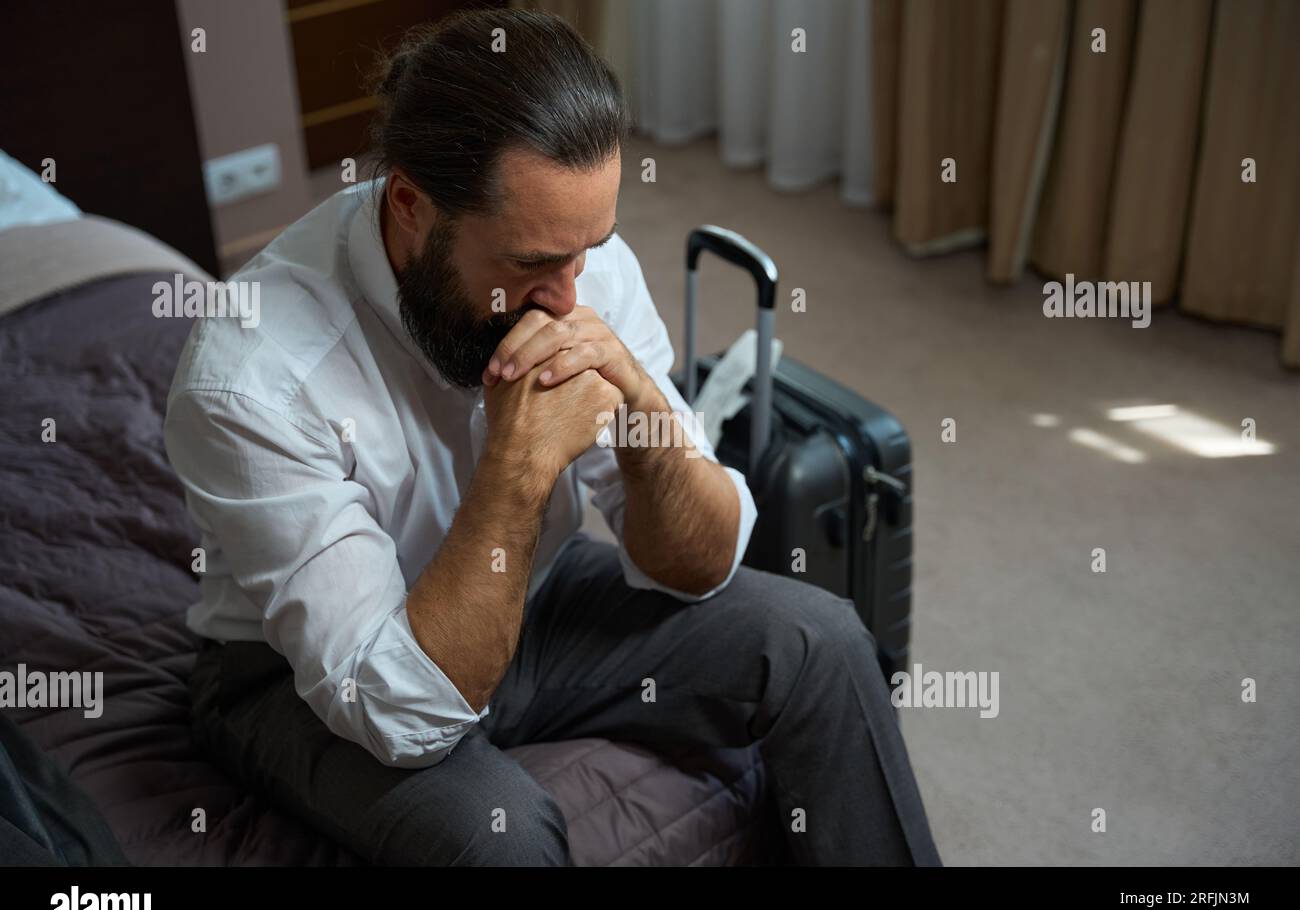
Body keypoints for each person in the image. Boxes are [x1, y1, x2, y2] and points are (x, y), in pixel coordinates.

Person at [165, 8, 940, 866]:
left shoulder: (576, 262)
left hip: (538, 593)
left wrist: (643, 406)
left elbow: (705, 562)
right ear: (412, 205)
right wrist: (518, 468)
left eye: (587, 252)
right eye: (531, 267)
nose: (570, 298)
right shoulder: (250, 377)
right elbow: (403, 714)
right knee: (493, 835)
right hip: (301, 676)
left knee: (821, 641)